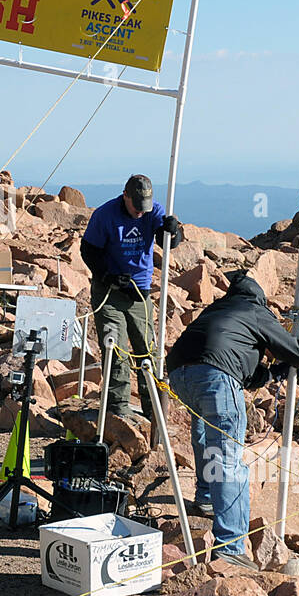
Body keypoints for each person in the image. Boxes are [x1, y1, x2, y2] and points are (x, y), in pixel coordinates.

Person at [164, 272, 299, 570]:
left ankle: (205, 497)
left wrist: (269, 374)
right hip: (216, 377)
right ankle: (231, 545)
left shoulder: (216, 310)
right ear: (259, 297)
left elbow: (235, 360)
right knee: (227, 457)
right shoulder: (255, 310)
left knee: (203, 430)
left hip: (178, 375)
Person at [80, 174, 180, 421]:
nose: (140, 213)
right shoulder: (105, 215)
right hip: (110, 293)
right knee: (116, 350)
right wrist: (107, 276)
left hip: (140, 294)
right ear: (125, 196)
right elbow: (88, 250)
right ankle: (118, 408)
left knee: (147, 351)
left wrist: (174, 231)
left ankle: (154, 409)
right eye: (136, 207)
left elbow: (166, 239)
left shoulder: (152, 211)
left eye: (144, 207)